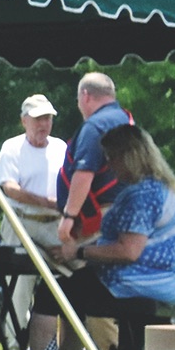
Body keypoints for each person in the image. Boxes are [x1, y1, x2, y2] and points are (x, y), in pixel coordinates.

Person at [27, 122, 175, 350]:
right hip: (166, 284)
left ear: (130, 157)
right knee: (75, 294)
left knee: (51, 293)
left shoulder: (140, 197)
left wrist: (77, 253)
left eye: (112, 159)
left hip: (134, 284)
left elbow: (129, 251)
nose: (110, 167)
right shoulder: (162, 189)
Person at [0, 93, 71, 332]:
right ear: (24, 121)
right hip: (20, 225)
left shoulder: (60, 147)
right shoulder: (12, 148)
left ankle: (60, 349)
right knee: (18, 292)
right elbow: (10, 189)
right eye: (37, 119)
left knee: (72, 279)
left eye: (47, 118)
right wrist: (47, 202)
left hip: (54, 226)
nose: (43, 124)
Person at [57, 72, 134, 238]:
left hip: (103, 215)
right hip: (130, 209)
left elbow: (84, 174)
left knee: (76, 258)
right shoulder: (124, 120)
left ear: (85, 96)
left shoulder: (94, 127)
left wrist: (69, 217)